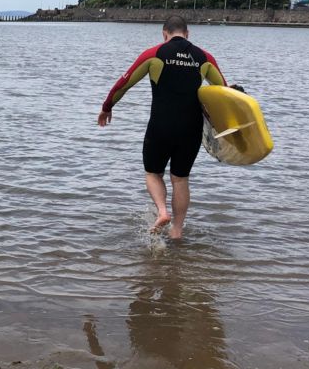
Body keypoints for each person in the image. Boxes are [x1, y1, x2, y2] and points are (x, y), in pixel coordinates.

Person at [96, 15, 231, 240]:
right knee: (180, 178)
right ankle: (177, 232)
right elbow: (225, 91)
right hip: (191, 129)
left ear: (164, 34)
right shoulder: (204, 57)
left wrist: (107, 107)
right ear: (187, 34)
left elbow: (124, 83)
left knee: (152, 173)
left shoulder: (154, 54)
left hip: (161, 126)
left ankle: (162, 211)